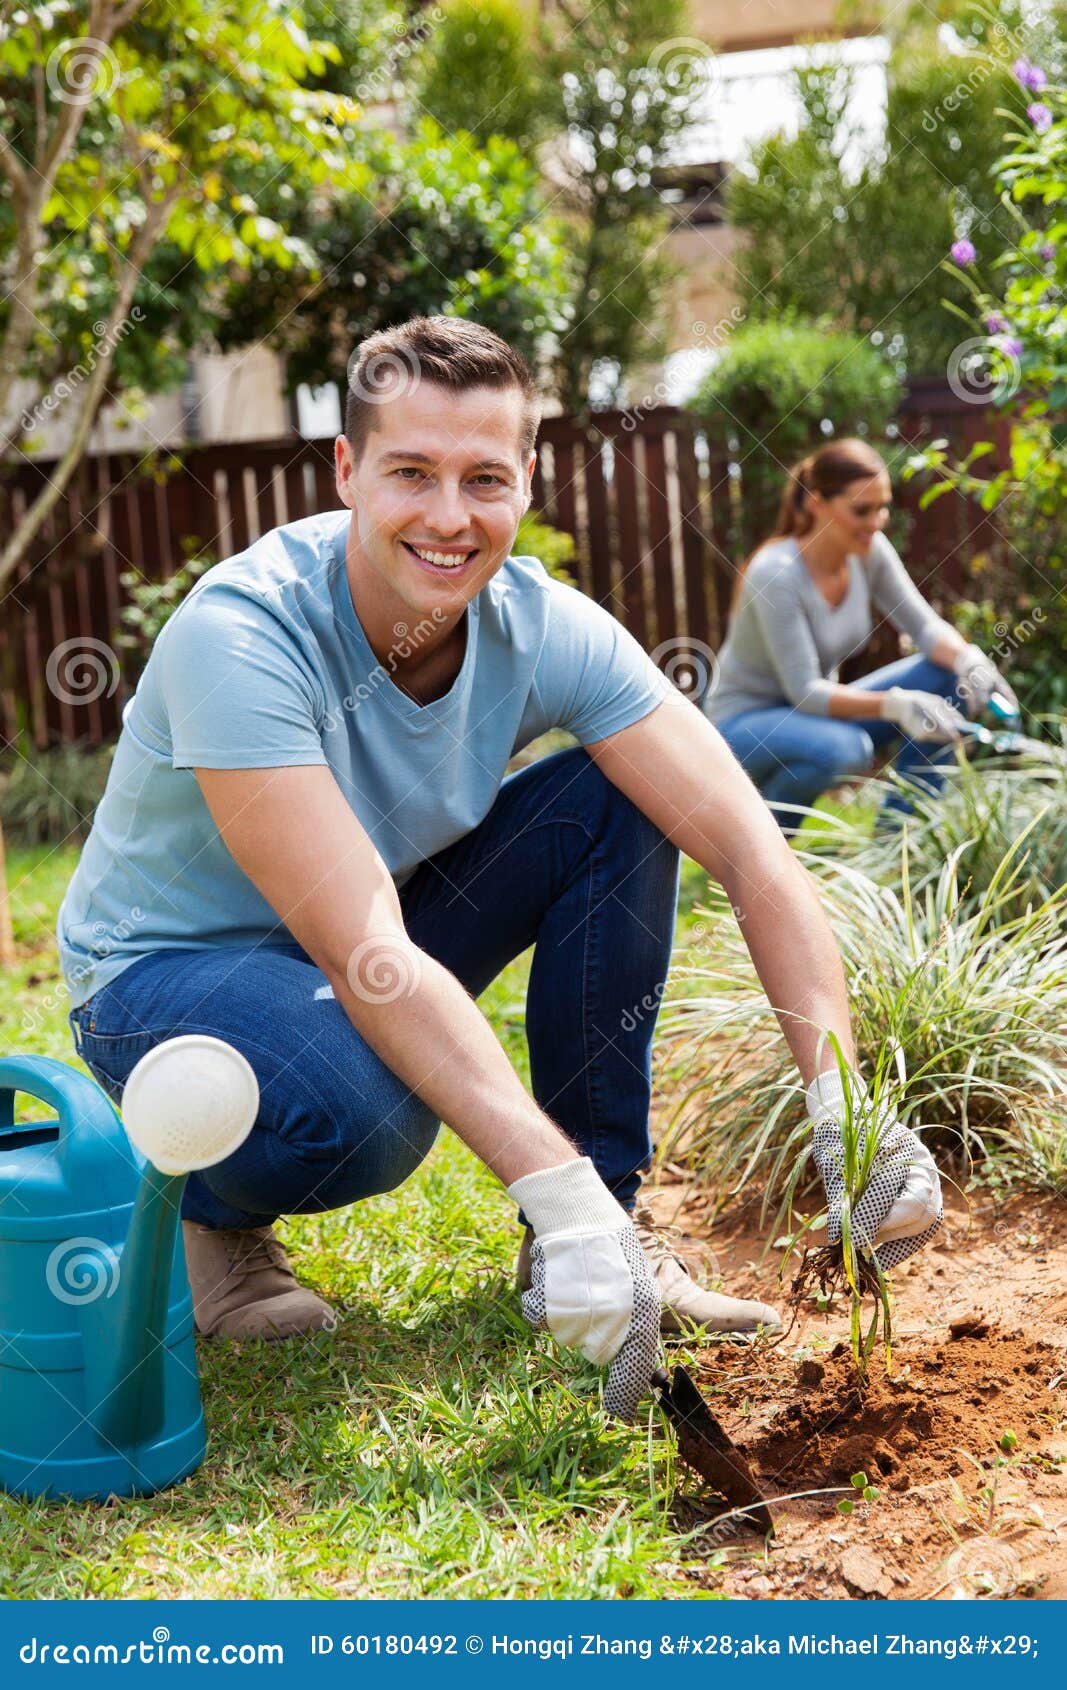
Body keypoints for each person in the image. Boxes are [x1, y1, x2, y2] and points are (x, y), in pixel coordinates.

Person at [57, 321, 942, 1421]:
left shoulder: (546, 629)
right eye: (410, 472)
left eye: (483, 476)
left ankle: (599, 1242)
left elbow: (748, 849)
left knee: (623, 799)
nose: (447, 515)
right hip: (168, 973)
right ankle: (212, 1220)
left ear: (527, 477)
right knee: (363, 1108)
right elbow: (364, 950)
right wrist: (551, 1184)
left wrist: (843, 1105)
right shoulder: (242, 633)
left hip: (348, 946)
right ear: (345, 470)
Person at [704, 438, 1019, 834]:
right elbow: (805, 692)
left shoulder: (868, 549)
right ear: (817, 502)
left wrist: (969, 659)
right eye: (861, 510)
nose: (877, 521)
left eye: (883, 507)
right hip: (744, 728)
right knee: (845, 750)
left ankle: (898, 846)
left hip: (812, 717)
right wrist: (898, 705)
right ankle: (759, 846)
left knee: (945, 678)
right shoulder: (776, 573)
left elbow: (923, 627)